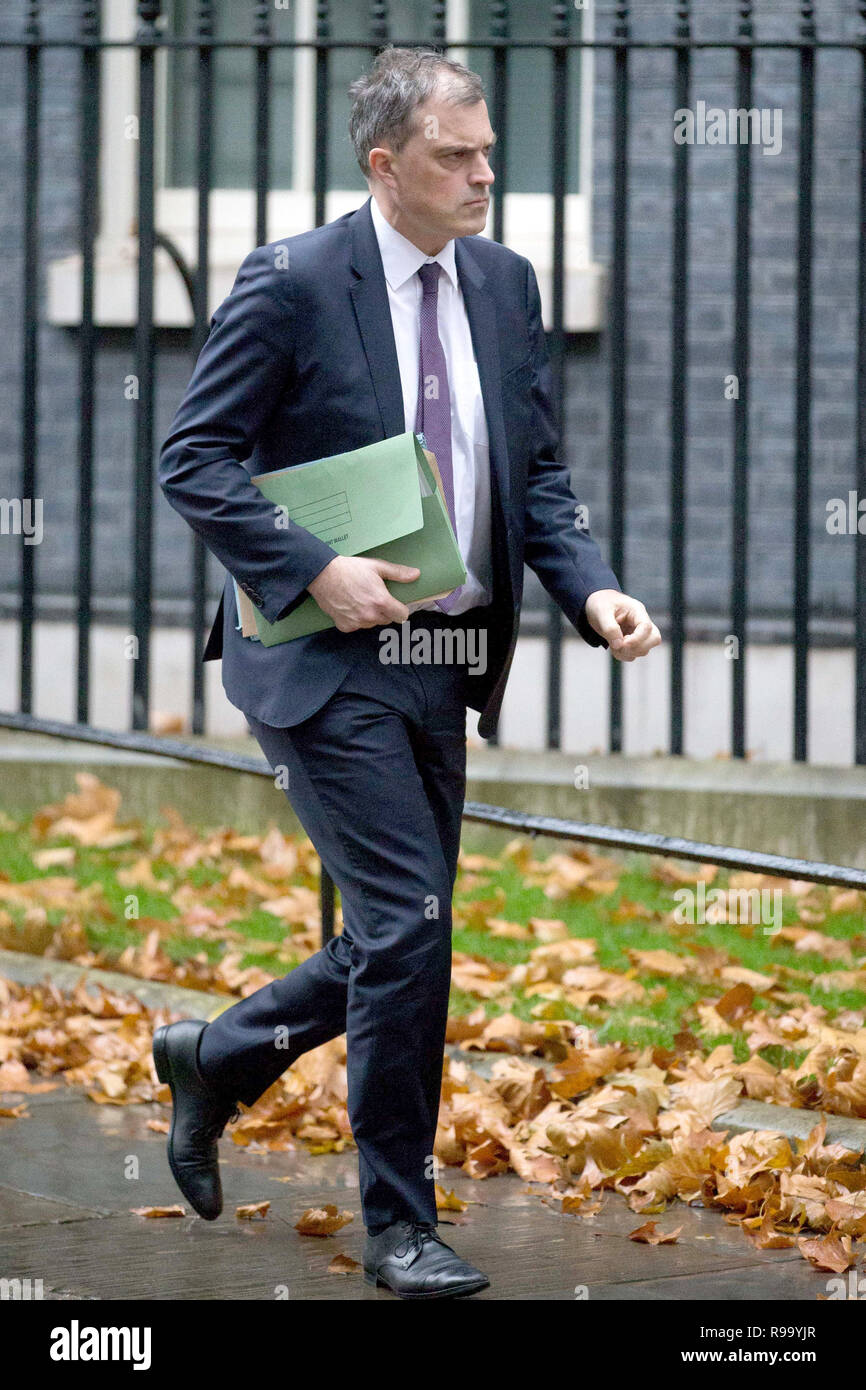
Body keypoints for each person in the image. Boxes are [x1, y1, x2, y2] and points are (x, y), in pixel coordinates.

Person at [154, 45, 660, 1300]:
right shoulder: (289, 282)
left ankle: (215, 1053)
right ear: (385, 166)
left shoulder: (503, 281)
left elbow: (531, 476)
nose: (485, 171)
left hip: (444, 657)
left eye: (488, 149)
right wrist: (319, 567)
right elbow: (194, 457)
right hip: (324, 659)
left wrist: (589, 585)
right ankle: (399, 1225)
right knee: (404, 933)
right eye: (456, 154)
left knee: (403, 936)